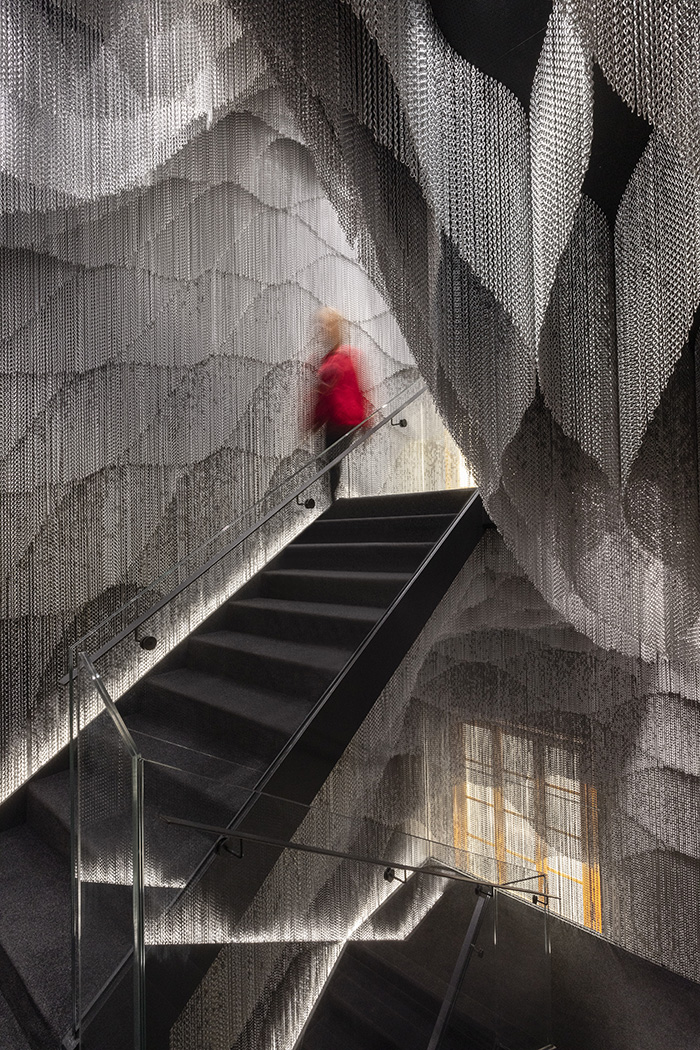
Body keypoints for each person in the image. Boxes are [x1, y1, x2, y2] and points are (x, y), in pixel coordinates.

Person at [310, 308, 371, 501]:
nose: (322, 329)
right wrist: (315, 420)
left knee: (330, 461)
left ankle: (333, 504)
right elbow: (323, 396)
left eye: (326, 324)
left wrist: (366, 423)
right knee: (329, 462)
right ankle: (332, 502)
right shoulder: (329, 359)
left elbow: (358, 390)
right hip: (338, 421)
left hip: (343, 420)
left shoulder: (343, 358)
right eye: (321, 325)